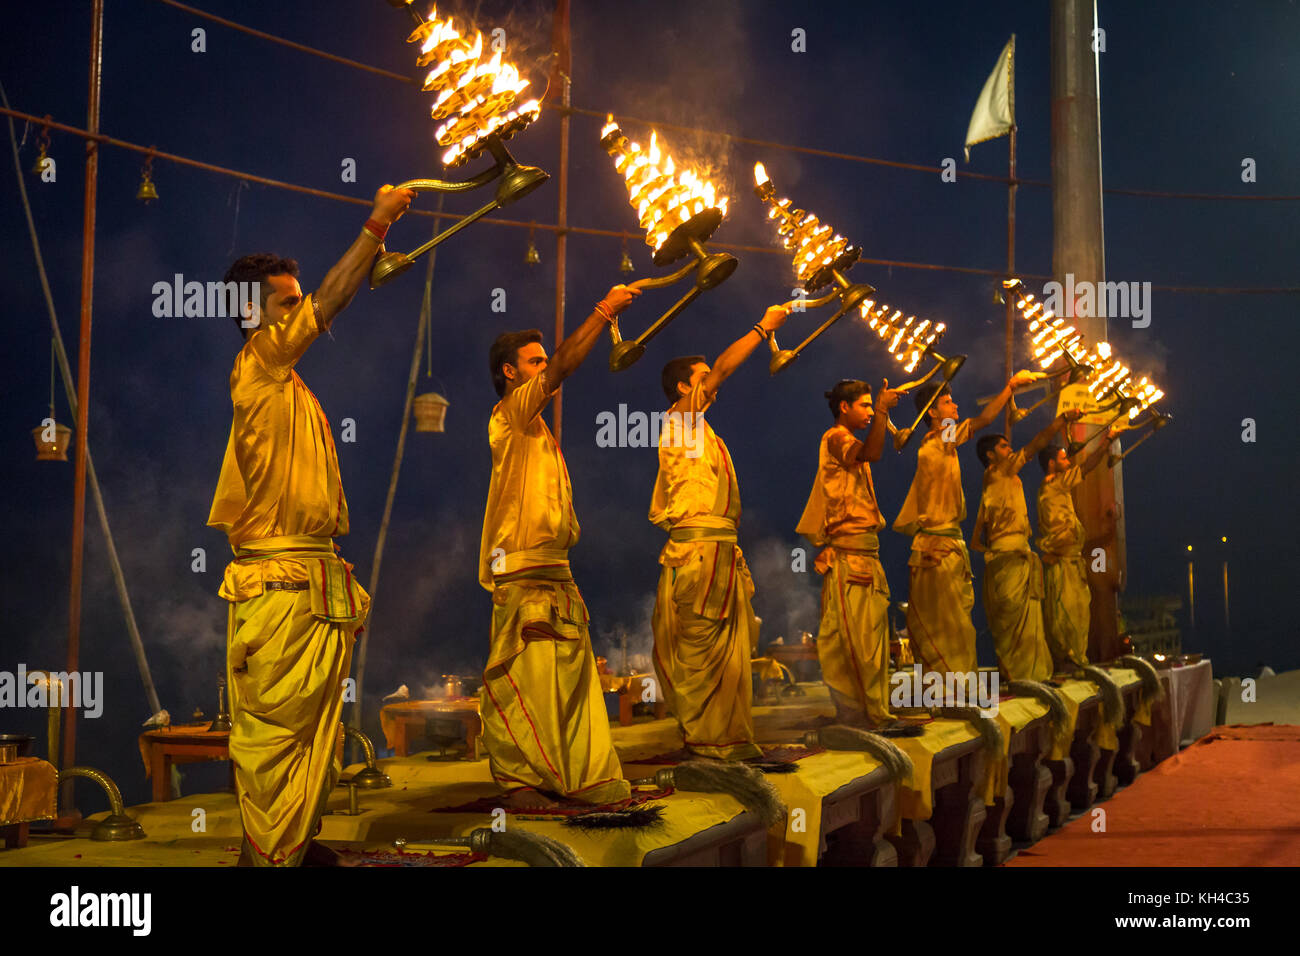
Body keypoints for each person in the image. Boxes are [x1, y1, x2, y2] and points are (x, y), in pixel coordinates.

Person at [208, 184, 415, 866]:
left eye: (298, 303)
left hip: (314, 579)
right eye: (286, 304)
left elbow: (324, 303)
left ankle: (285, 847)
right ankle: (270, 855)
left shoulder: (290, 383)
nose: (302, 314)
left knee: (312, 732)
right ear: (253, 315)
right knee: (275, 732)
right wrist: (375, 227)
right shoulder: (260, 367)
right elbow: (330, 301)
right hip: (281, 583)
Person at [480, 285, 641, 807]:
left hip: (555, 572)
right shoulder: (511, 415)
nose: (545, 367)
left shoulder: (539, 429)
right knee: (527, 679)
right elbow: (564, 369)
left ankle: (579, 779)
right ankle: (520, 782)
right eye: (535, 361)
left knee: (568, 683)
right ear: (512, 372)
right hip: (524, 571)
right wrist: (603, 312)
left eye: (543, 360)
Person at [649, 306, 790, 760]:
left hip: (722, 553)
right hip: (698, 556)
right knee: (701, 650)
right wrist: (762, 328)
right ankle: (705, 741)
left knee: (730, 655)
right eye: (703, 378)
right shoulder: (679, 422)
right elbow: (725, 371)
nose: (712, 383)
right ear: (684, 389)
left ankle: (728, 738)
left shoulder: (706, 431)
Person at [891, 370, 1041, 675]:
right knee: (948, 626)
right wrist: (1009, 387)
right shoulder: (939, 440)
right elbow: (985, 420)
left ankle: (952, 690)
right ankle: (947, 691)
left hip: (946, 547)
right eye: (948, 402)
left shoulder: (940, 442)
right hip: (937, 549)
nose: (956, 407)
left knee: (955, 625)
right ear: (932, 413)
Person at [796, 377, 902, 727]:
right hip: (851, 560)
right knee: (856, 642)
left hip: (865, 558)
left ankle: (866, 712)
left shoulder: (850, 442)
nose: (871, 411)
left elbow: (870, 451)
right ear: (844, 407)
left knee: (868, 639)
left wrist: (883, 419)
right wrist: (885, 414)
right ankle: (864, 715)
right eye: (866, 405)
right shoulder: (836, 438)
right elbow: (872, 452)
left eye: (874, 405)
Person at [972, 409, 1083, 682]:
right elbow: (1037, 443)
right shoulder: (998, 471)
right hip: (1009, 559)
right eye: (1004, 446)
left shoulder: (1003, 476)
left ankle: (1034, 678)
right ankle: (1023, 680)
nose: (1010, 449)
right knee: (1014, 628)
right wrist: (1061, 420)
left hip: (1019, 556)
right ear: (991, 456)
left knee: (1031, 629)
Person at [1037, 420, 1119, 672]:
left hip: (1071, 563)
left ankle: (1076, 660)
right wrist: (1107, 441)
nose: (1068, 462)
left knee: (1078, 613)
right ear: (1052, 465)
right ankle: (1069, 663)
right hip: (1062, 564)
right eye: (1063, 458)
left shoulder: (1055, 486)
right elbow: (1088, 466)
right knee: (1066, 615)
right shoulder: (1055, 484)